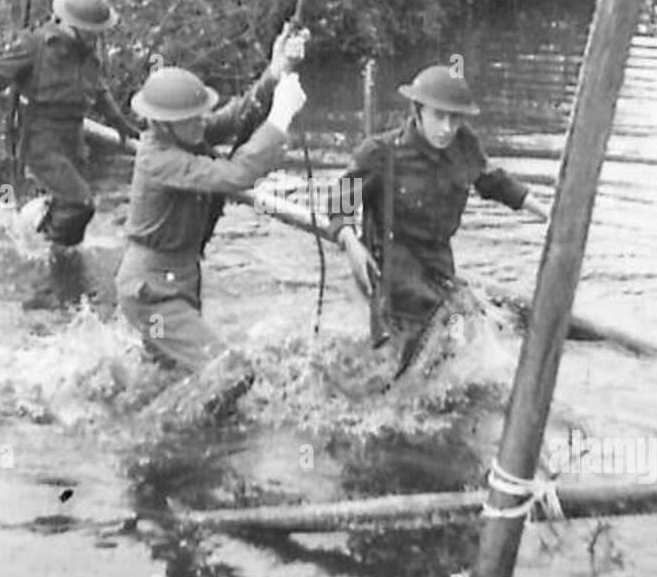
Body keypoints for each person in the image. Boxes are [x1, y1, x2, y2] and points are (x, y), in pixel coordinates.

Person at [116, 28, 307, 375]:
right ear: (165, 123)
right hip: (154, 297)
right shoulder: (159, 159)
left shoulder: (184, 135)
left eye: (202, 113)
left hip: (174, 284)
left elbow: (236, 117)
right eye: (193, 117)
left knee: (173, 375)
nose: (203, 121)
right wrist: (280, 119)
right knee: (228, 371)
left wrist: (275, 71)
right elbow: (234, 175)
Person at [326, 64, 535, 363]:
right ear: (418, 111)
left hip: (437, 266)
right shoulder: (380, 153)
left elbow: (493, 181)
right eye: (439, 116)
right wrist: (349, 240)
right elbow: (340, 199)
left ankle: (449, 384)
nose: (447, 128)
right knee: (408, 355)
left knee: (458, 333)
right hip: (392, 270)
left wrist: (546, 214)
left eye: (455, 119)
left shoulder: (463, 147)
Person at [0, 0, 139, 307]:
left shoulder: (88, 56)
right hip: (41, 139)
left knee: (72, 204)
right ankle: (48, 250)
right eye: (90, 30)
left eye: (97, 31)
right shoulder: (35, 45)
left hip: (73, 139)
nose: (95, 36)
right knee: (81, 202)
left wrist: (121, 124)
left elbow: (100, 92)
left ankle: (43, 243)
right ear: (70, 24)